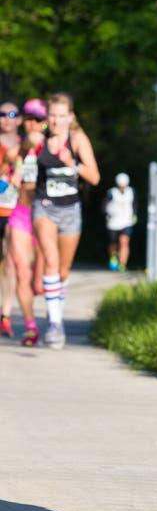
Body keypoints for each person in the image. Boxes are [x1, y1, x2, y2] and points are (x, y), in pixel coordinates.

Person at [32, 92, 100, 349]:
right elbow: (24, 164)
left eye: (62, 116)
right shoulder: (39, 139)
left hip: (70, 210)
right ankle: (55, 326)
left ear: (70, 116)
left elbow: (94, 177)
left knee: (61, 270)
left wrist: (73, 164)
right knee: (49, 260)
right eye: (52, 115)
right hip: (44, 207)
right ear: (46, 117)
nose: (57, 120)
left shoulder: (78, 139)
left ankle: (54, 311)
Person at [8, 99, 48, 346]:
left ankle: (54, 320)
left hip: (45, 214)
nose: (33, 124)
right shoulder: (18, 150)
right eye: (29, 119)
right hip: (20, 214)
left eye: (38, 119)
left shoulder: (53, 148)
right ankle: (31, 327)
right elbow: (4, 170)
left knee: (40, 280)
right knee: (22, 272)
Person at [0, 100, 22, 337]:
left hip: (16, 213)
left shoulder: (25, 146)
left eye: (12, 114)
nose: (7, 118)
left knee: (11, 264)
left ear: (18, 119)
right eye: (2, 114)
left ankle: (5, 315)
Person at [103, 172, 137, 272]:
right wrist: (108, 214)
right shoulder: (111, 192)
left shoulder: (131, 192)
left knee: (124, 242)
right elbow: (104, 206)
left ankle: (122, 264)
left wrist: (134, 215)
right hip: (113, 222)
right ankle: (113, 258)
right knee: (113, 243)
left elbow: (134, 205)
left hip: (126, 221)